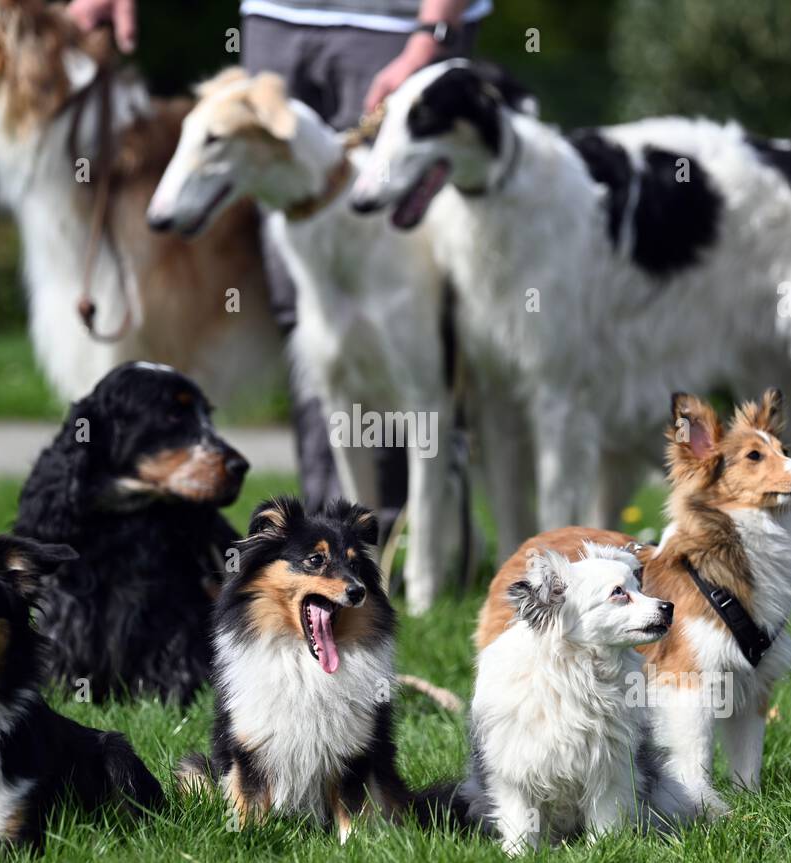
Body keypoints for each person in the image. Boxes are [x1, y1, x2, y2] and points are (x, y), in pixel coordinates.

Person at [68, 0, 488, 519]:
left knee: (405, 309)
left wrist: (433, 30)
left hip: (395, 24)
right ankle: (334, 534)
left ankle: (413, 536)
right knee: (301, 311)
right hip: (276, 18)